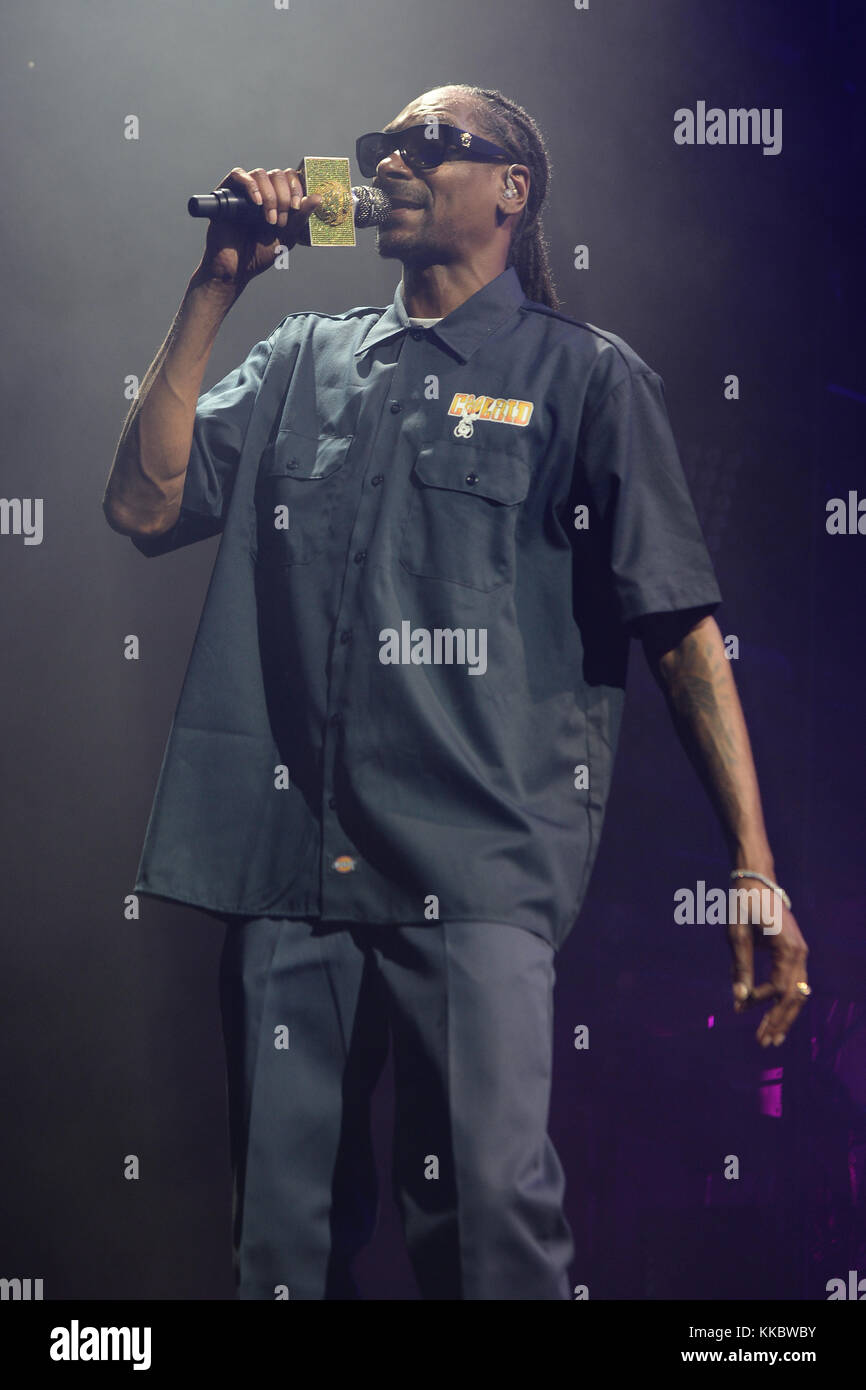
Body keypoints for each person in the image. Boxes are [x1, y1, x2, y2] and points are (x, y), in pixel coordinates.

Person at [101, 84, 810, 1301]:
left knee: (486, 1232)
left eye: (433, 143)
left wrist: (749, 860)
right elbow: (145, 503)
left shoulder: (586, 380)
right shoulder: (298, 360)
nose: (391, 160)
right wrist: (218, 283)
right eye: (383, 144)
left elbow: (679, 624)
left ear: (510, 190)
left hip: (469, 864)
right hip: (284, 873)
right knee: (278, 1245)